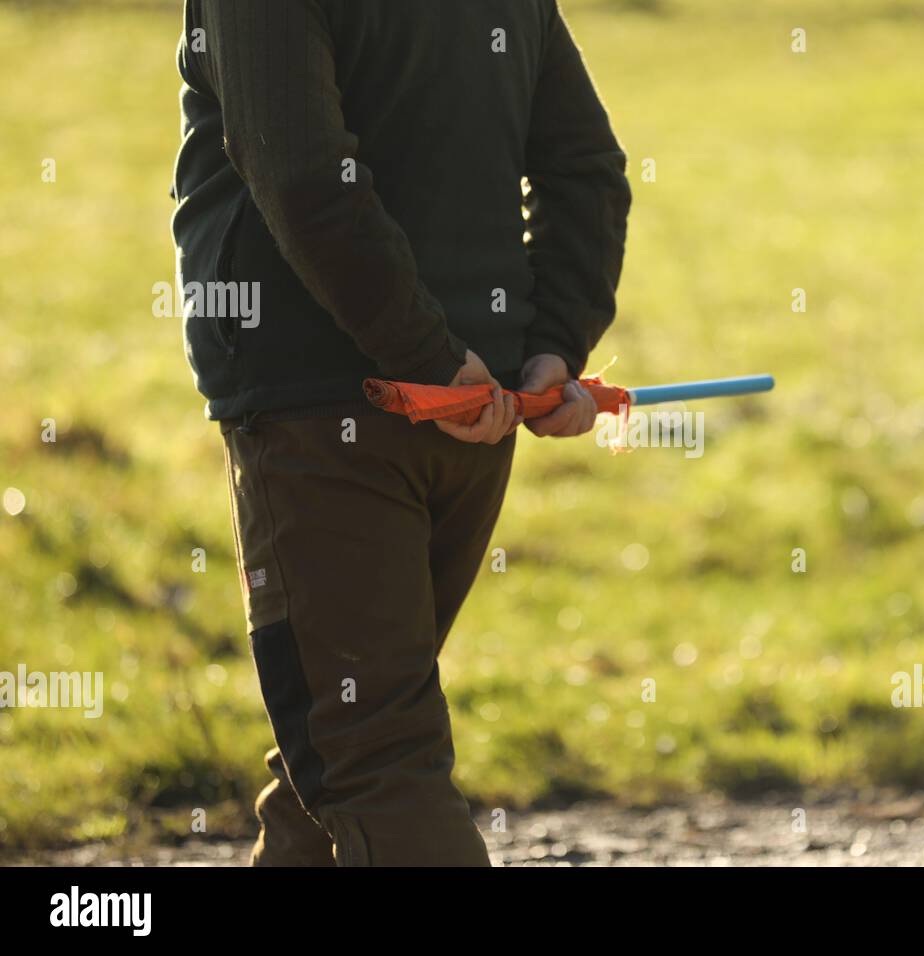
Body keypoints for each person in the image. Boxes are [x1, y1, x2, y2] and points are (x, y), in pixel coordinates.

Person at [170, 0, 631, 865]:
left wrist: (432, 354)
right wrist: (547, 346)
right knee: (344, 740)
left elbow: (301, 173)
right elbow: (587, 168)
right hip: (476, 403)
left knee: (373, 762)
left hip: (328, 401)